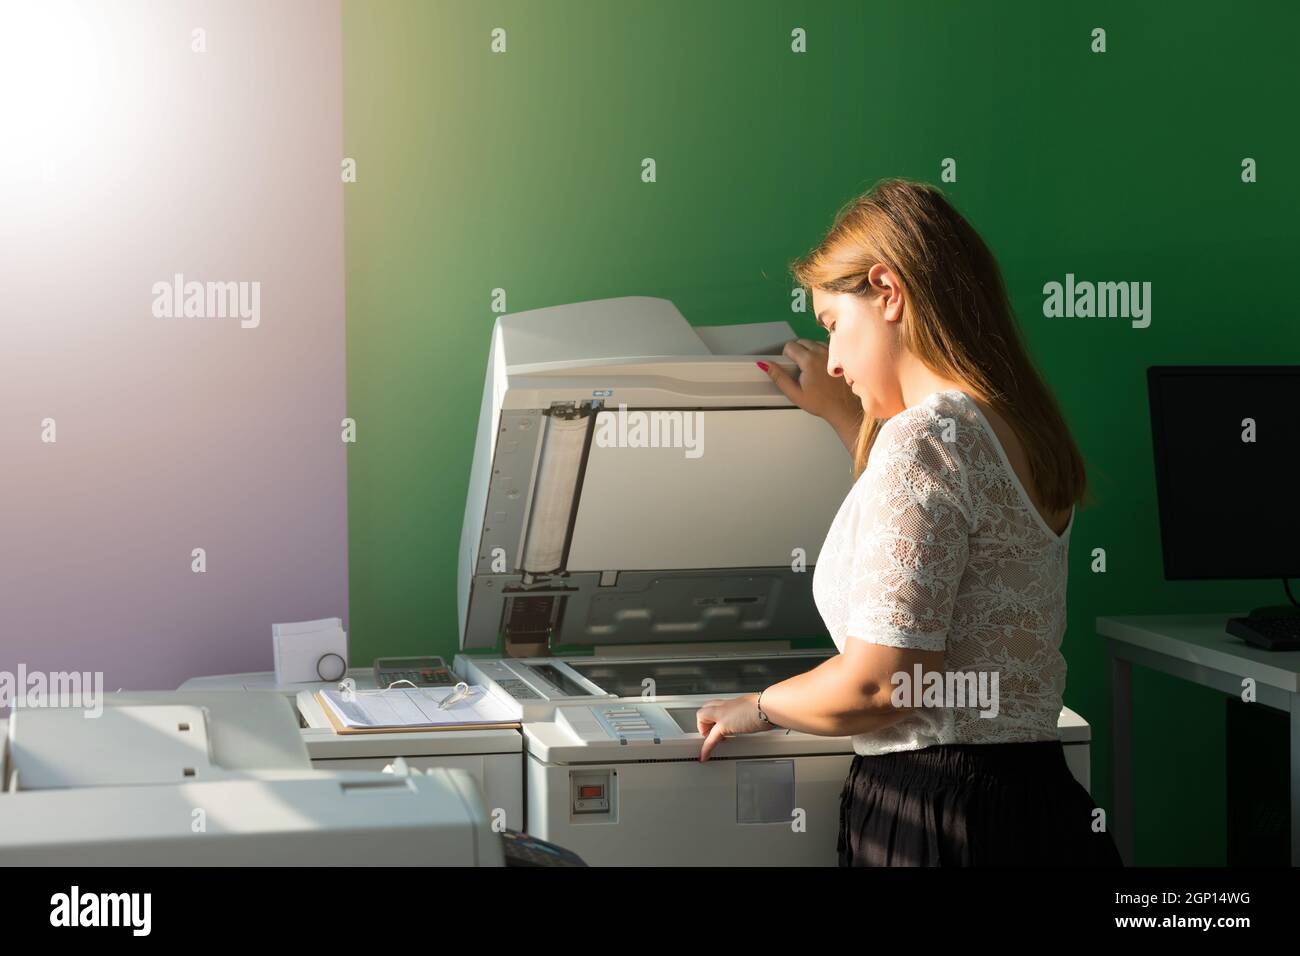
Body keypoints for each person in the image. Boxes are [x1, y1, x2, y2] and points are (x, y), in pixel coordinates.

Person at [695, 178, 1122, 867]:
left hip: (939, 817)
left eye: (834, 324)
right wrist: (844, 414)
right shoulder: (1018, 430)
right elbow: (929, 542)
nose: (832, 359)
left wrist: (763, 705)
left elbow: (879, 687)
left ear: (888, 291)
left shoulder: (925, 439)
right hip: (1041, 806)